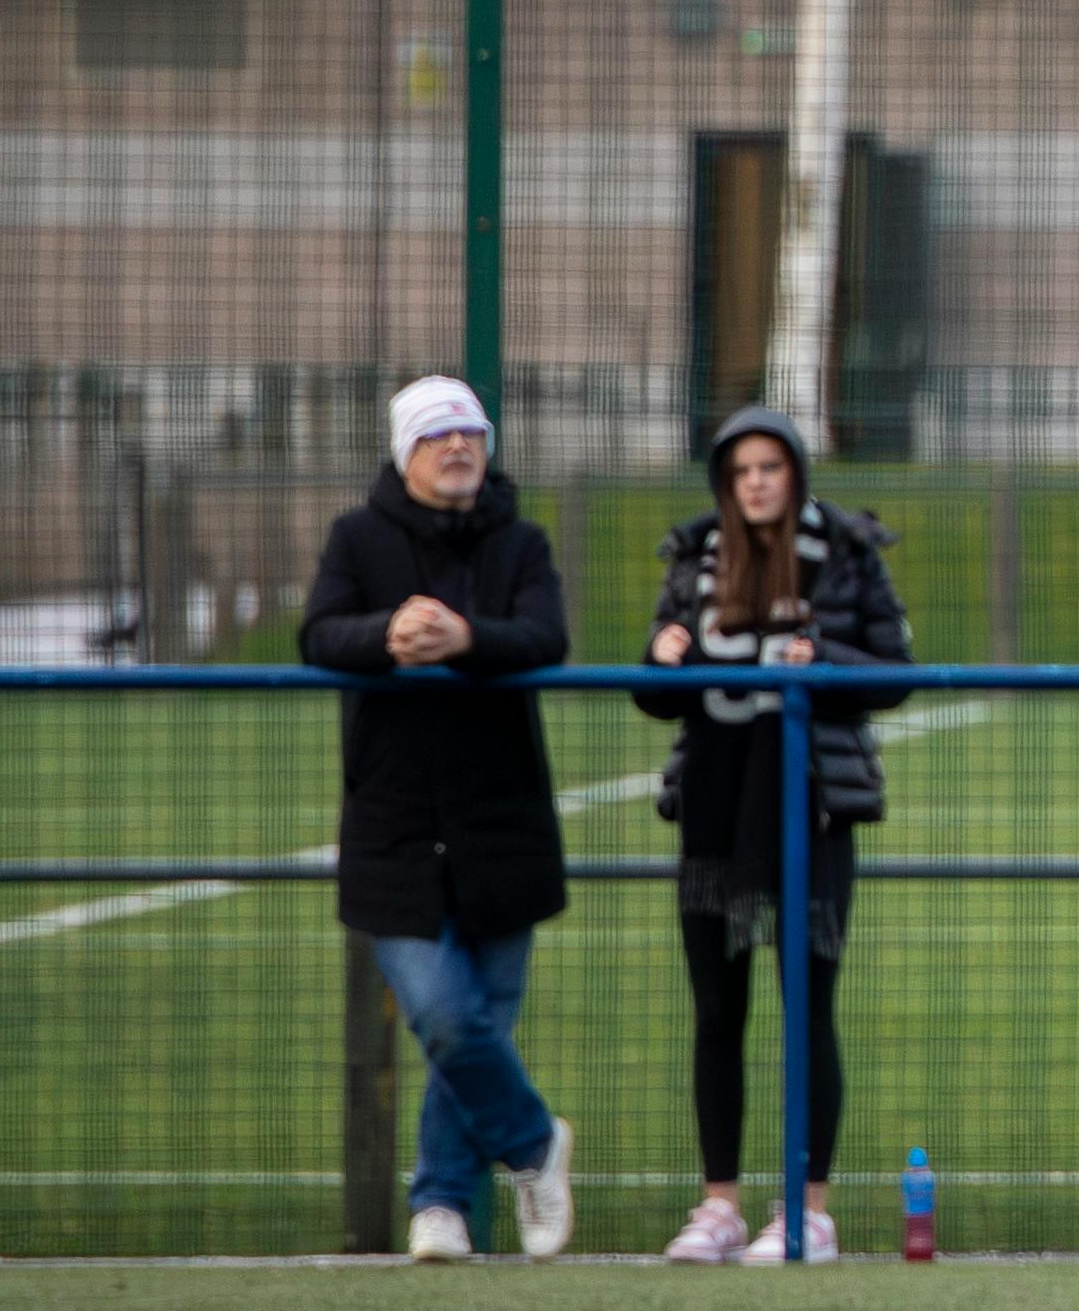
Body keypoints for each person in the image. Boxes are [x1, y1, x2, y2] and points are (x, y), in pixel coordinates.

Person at [302, 375, 575, 1265]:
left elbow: (544, 637)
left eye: (471, 434)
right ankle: (535, 1145)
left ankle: (441, 1203)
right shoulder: (357, 538)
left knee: (481, 1023)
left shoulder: (521, 542)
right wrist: (388, 635)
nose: (458, 449)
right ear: (404, 452)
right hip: (394, 825)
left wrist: (468, 641)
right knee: (443, 1013)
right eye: (437, 436)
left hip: (502, 822)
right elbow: (319, 635)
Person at [634, 405, 915, 1265]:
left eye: (771, 467)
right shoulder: (694, 562)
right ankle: (718, 1203)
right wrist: (662, 659)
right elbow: (652, 692)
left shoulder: (849, 555)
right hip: (714, 812)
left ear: (796, 474)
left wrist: (822, 659)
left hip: (812, 809)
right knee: (718, 1011)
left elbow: (894, 674)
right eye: (741, 471)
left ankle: (808, 1208)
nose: (756, 483)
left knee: (808, 1008)